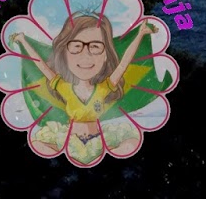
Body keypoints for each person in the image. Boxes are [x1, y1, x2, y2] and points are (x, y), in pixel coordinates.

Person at [10, 11, 161, 165]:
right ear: (65, 54)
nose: (86, 55)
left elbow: (123, 64)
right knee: (38, 145)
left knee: (131, 143)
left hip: (99, 142)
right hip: (70, 142)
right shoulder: (63, 86)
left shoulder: (104, 87)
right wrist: (23, 41)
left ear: (105, 56)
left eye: (95, 47)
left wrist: (140, 34)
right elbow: (41, 65)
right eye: (76, 46)